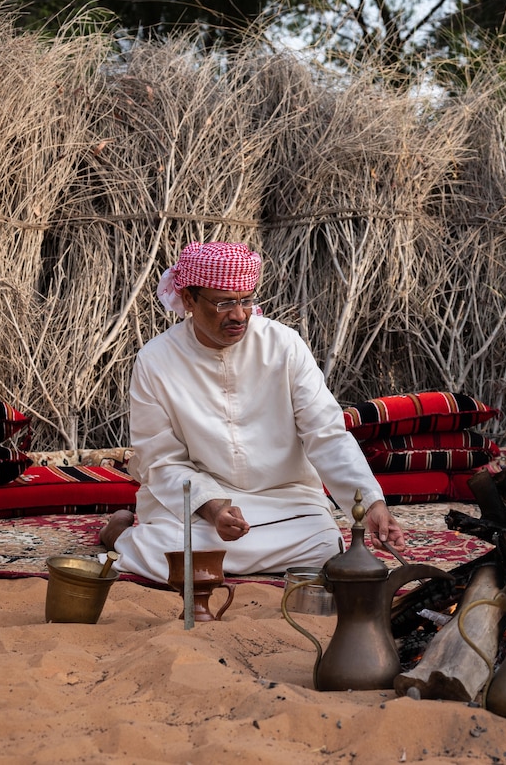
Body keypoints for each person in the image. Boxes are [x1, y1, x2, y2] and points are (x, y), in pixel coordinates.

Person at [100, 241, 406, 585]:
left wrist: (371, 503)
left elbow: (326, 433)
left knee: (327, 548)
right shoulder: (155, 360)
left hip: (284, 499)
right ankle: (119, 534)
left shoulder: (284, 345)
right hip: (199, 505)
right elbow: (161, 459)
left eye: (246, 300)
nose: (239, 315)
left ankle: (142, 544)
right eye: (224, 303)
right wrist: (214, 508)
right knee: (166, 552)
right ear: (188, 299)